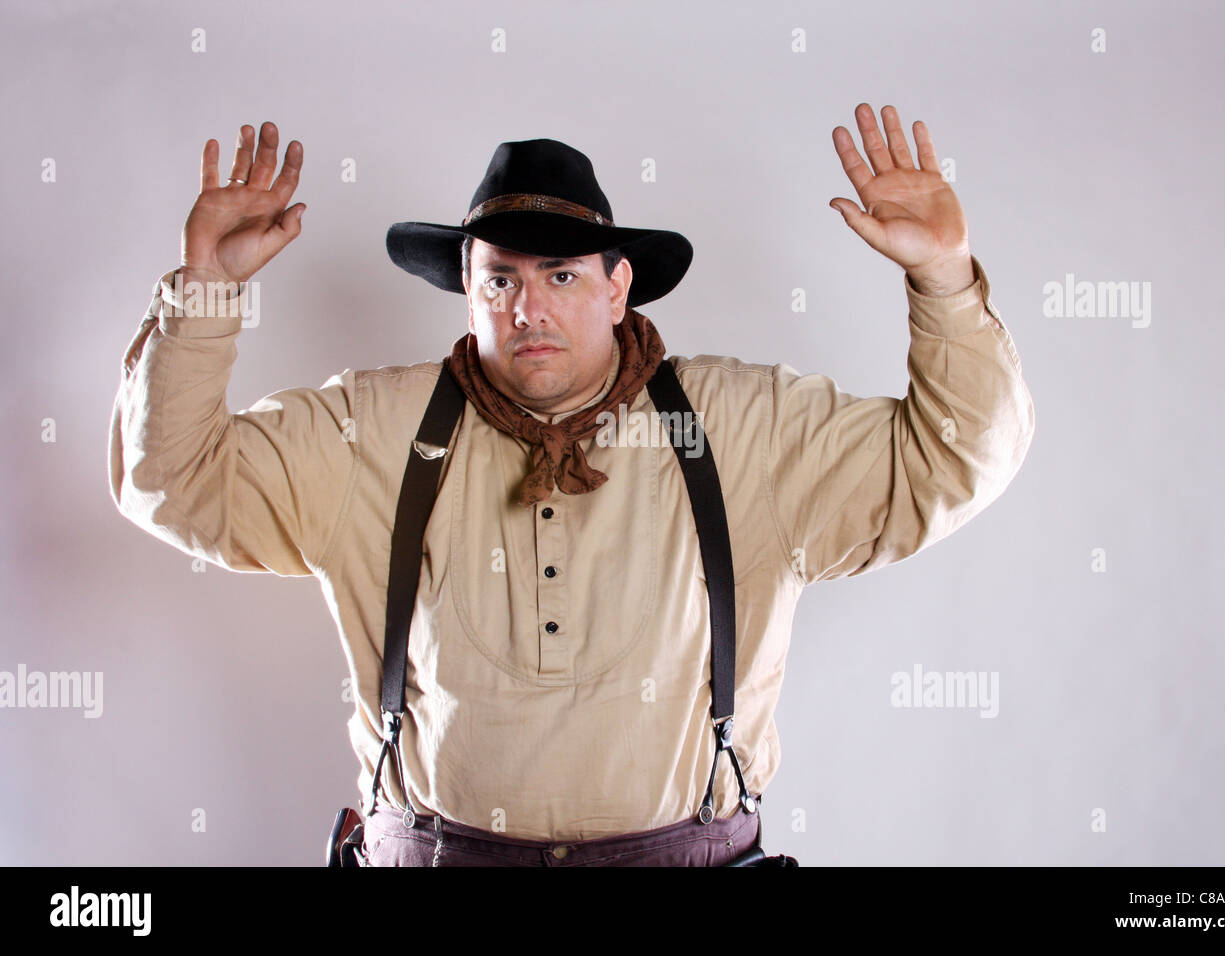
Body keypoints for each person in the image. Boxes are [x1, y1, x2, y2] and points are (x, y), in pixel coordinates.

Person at [107, 105, 1035, 866]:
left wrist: (944, 279)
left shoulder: (743, 426)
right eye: (500, 278)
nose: (529, 309)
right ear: (466, 288)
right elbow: (171, 482)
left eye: (560, 274)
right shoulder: (371, 430)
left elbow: (954, 459)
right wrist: (203, 295)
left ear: (619, 285)